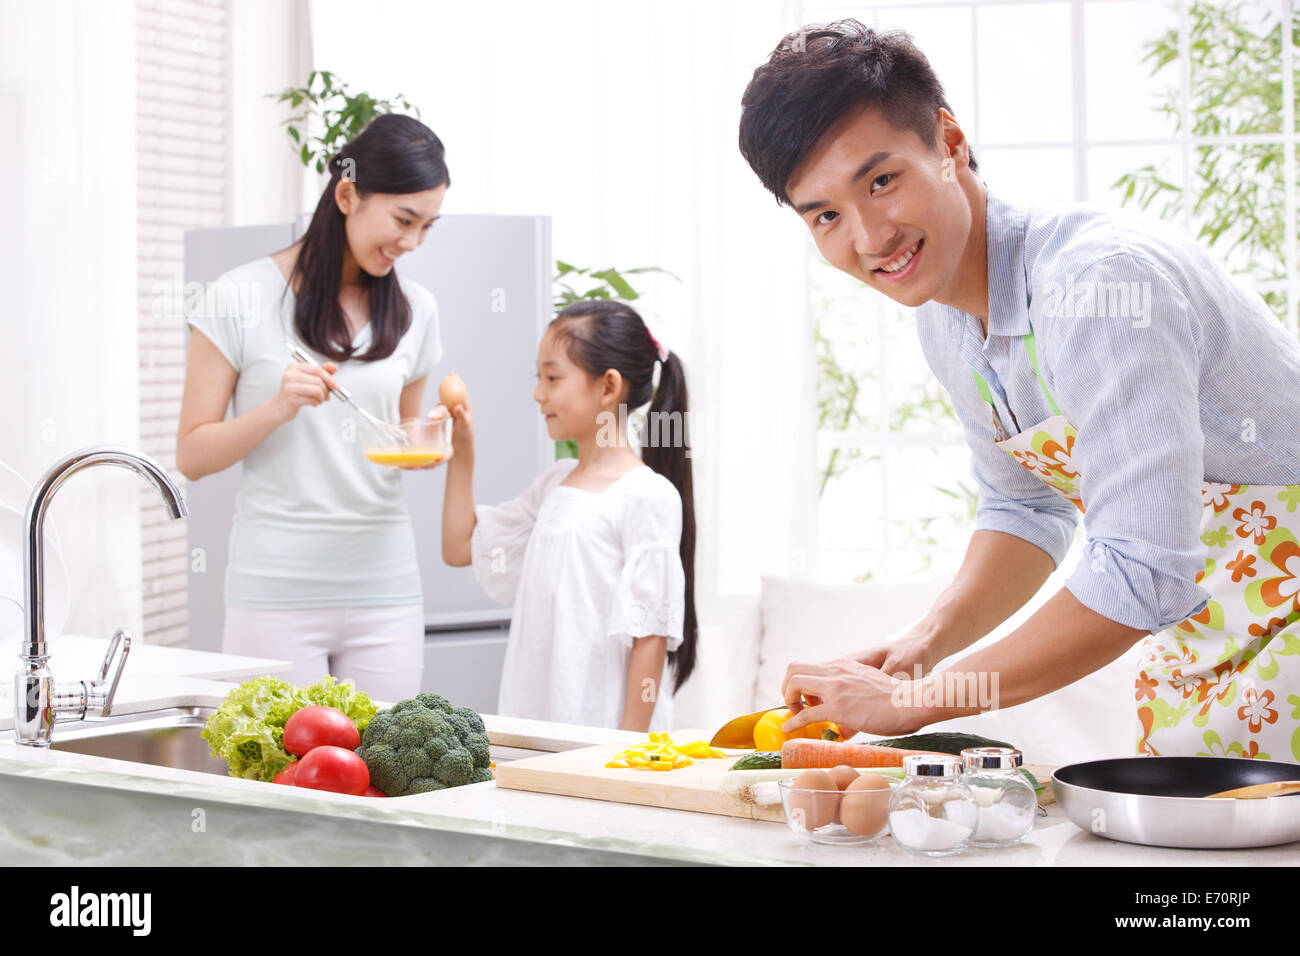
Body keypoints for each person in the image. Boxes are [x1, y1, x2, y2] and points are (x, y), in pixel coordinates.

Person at [737, 21, 1300, 761]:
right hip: (1214, 639)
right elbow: (1025, 505)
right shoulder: (947, 320)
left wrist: (914, 703)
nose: (871, 237)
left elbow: (1147, 569)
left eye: (881, 180)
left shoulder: (1098, 287)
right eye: (827, 215)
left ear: (949, 142)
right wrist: (922, 646)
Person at [176, 113, 451, 701]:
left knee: (385, 775)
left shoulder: (417, 309)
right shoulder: (238, 296)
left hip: (386, 588)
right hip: (275, 589)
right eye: (404, 220)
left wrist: (425, 442)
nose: (411, 243)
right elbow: (194, 455)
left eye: (427, 227)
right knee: (277, 779)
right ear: (348, 194)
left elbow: (399, 433)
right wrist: (276, 407)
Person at [439, 300, 698, 731]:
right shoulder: (554, 485)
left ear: (608, 386)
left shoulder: (646, 495)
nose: (538, 393)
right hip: (538, 730)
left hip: (601, 744)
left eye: (553, 377)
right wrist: (462, 451)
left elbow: (649, 637)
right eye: (538, 377)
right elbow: (459, 547)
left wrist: (623, 753)